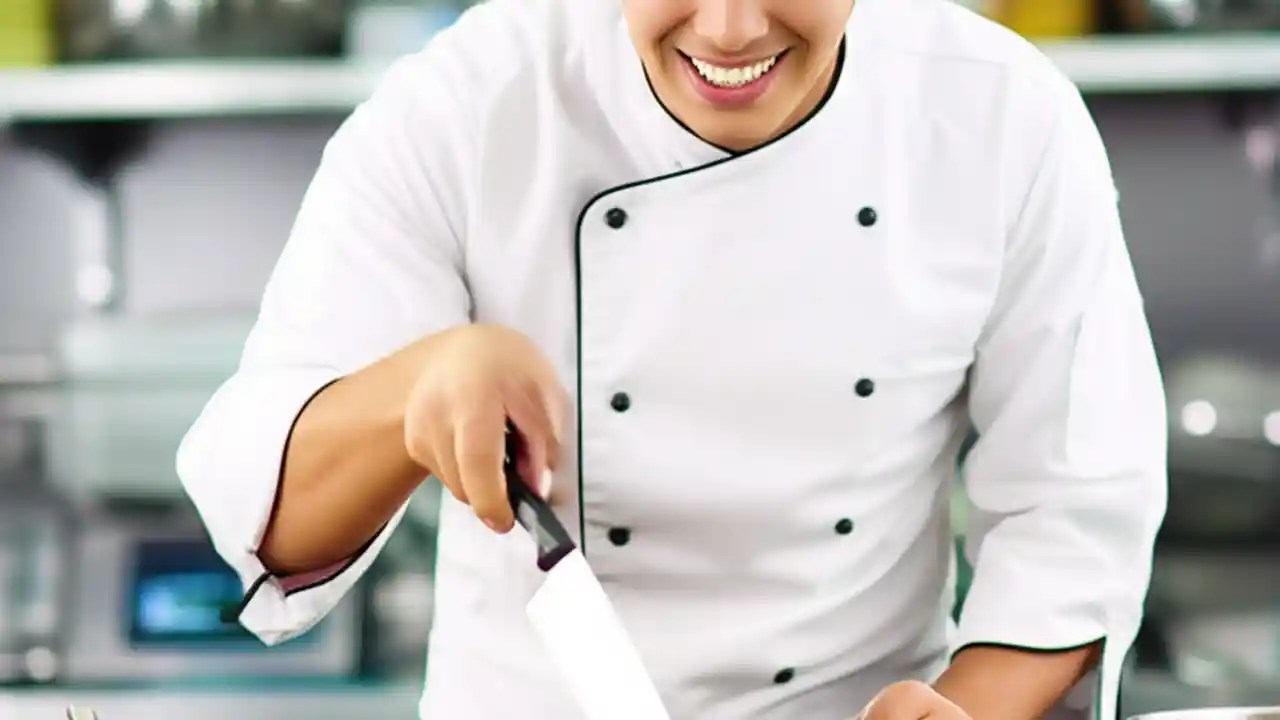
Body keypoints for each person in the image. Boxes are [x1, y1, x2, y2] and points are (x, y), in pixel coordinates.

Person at [176, 0, 1168, 717]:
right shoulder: (465, 105)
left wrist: (967, 709)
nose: (730, 29)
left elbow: (1072, 511)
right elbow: (273, 526)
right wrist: (412, 391)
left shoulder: (999, 116)